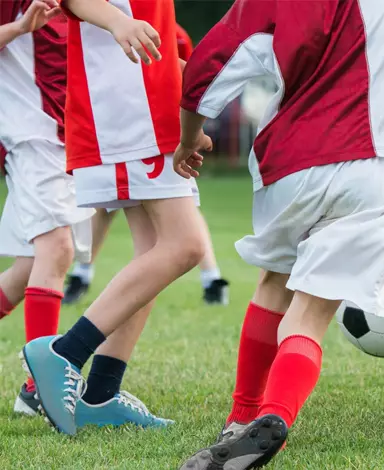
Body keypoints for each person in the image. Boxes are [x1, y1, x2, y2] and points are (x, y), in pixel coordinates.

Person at [176, 0, 384, 468]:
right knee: (309, 313)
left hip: (290, 167)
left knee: (274, 283)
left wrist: (190, 138)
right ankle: (273, 417)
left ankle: (241, 418)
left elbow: (211, 62)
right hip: (371, 165)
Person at [22, 0, 206, 435]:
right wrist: (118, 22)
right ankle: (65, 352)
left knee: (154, 252)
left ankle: (102, 393)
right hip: (126, 113)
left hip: (146, 107)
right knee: (186, 245)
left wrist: (182, 106)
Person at [63, 22, 230, 307]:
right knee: (126, 219)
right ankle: (81, 275)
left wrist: (189, 133)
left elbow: (183, 79)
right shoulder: (110, 18)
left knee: (174, 224)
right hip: (124, 132)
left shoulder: (173, 32)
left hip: (159, 137)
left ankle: (211, 278)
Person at [0, 0, 96, 416]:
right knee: (57, 249)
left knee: (27, 268)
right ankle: (38, 387)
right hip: (32, 136)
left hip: (66, 137)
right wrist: (21, 26)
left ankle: (38, 384)